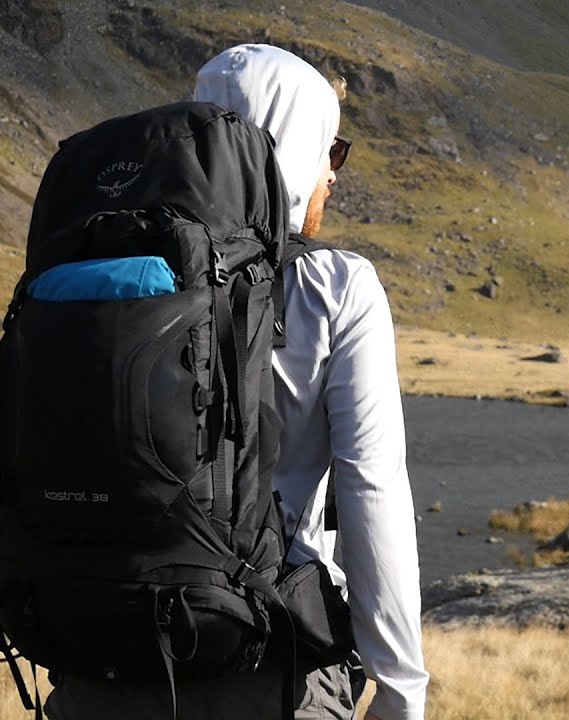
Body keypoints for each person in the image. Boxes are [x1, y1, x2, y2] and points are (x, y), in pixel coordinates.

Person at [44, 44, 429, 720]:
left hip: (97, 653)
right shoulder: (334, 286)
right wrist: (401, 688)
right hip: (266, 663)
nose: (333, 178)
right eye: (332, 152)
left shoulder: (103, 264)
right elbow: (373, 489)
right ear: (300, 147)